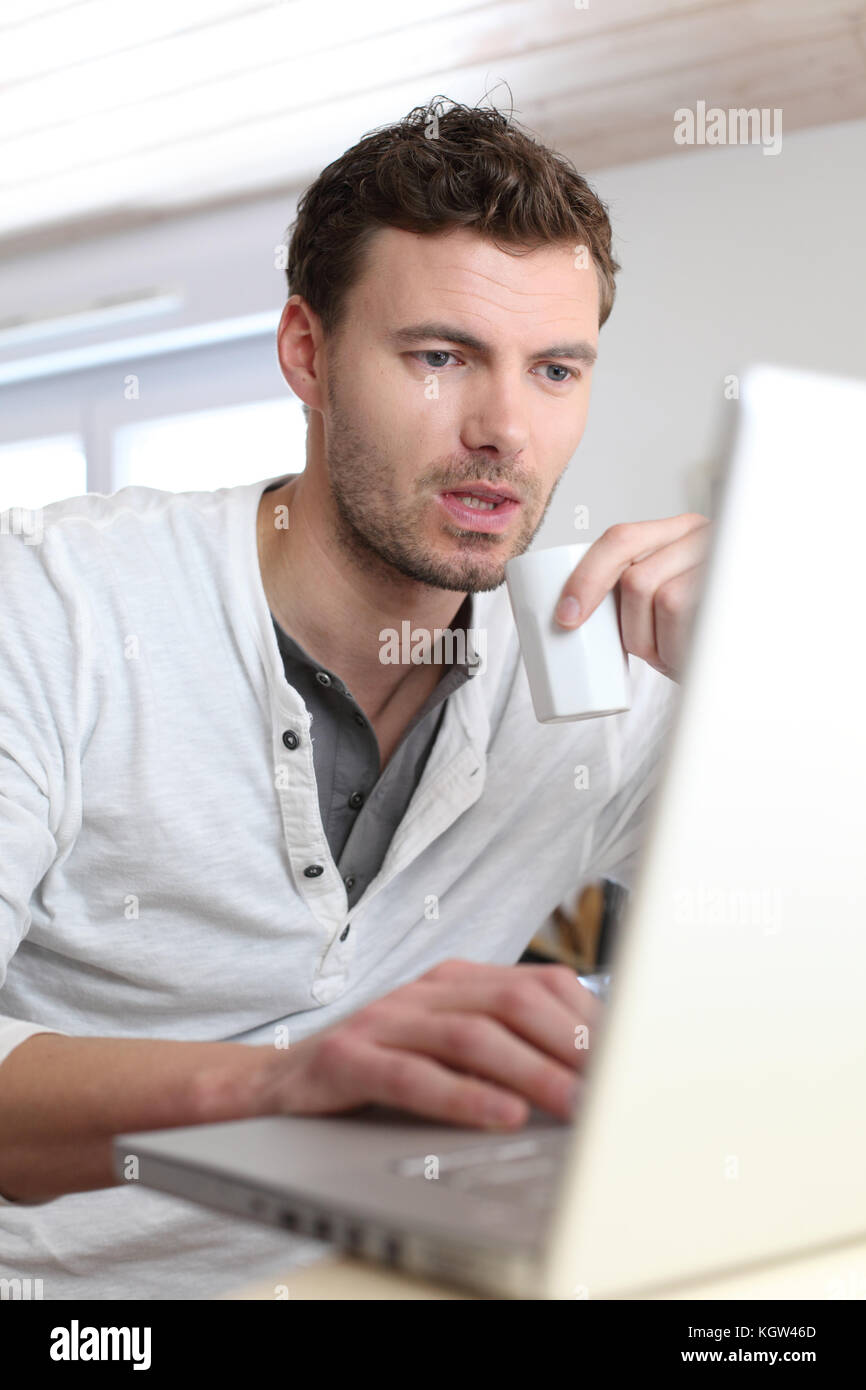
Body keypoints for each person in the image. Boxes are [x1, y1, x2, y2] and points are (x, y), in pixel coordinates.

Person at [0, 99, 708, 1299]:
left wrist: (787, 686)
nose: (503, 431)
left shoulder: (599, 668)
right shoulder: (50, 605)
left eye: (552, 371)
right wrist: (277, 1083)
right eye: (440, 357)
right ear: (305, 353)